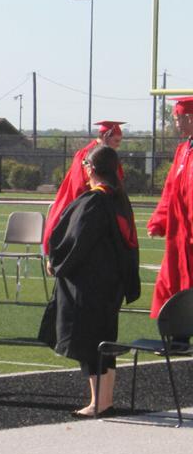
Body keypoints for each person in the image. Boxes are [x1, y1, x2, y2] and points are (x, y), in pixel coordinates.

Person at [47, 144, 140, 417]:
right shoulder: (119, 199)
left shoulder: (95, 202)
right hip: (111, 284)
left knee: (90, 342)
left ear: (91, 168)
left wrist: (57, 263)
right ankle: (105, 399)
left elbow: (77, 243)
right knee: (104, 340)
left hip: (91, 285)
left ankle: (97, 403)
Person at [149, 96, 193, 348]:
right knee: (174, 283)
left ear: (190, 118)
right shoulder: (182, 151)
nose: (176, 123)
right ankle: (178, 337)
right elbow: (170, 190)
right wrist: (160, 220)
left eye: (177, 118)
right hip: (179, 236)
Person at [44, 120, 125, 253]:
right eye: (116, 141)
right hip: (88, 211)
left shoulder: (100, 154)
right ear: (106, 136)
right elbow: (82, 185)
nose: (118, 145)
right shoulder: (90, 156)